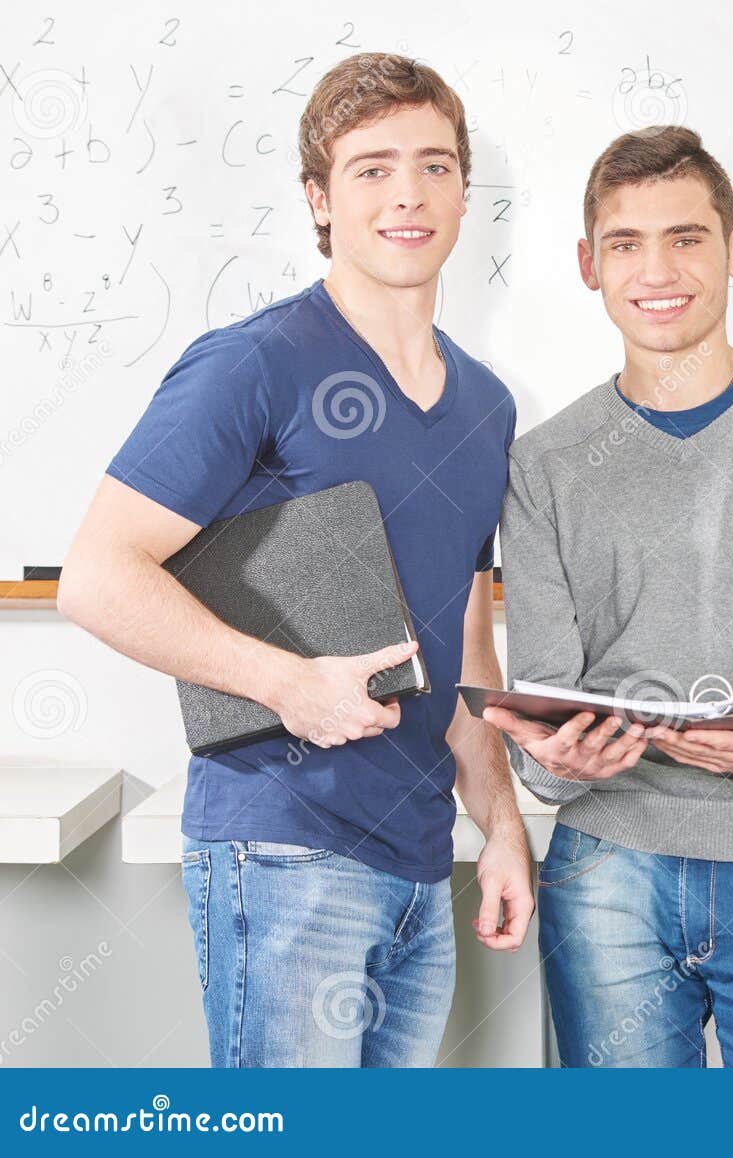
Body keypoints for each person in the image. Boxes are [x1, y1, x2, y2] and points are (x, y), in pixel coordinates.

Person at [56, 54, 532, 1067]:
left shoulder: (488, 404)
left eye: (435, 166)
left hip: (416, 859)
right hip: (282, 844)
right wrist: (288, 685)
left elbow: (464, 640)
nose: (408, 193)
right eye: (371, 170)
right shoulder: (256, 361)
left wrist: (498, 822)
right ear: (319, 199)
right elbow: (99, 575)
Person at [486, 127, 733, 1068]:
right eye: (625, 243)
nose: (656, 269)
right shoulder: (543, 464)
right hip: (606, 868)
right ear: (589, 265)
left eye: (687, 237)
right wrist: (557, 761)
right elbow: (545, 682)